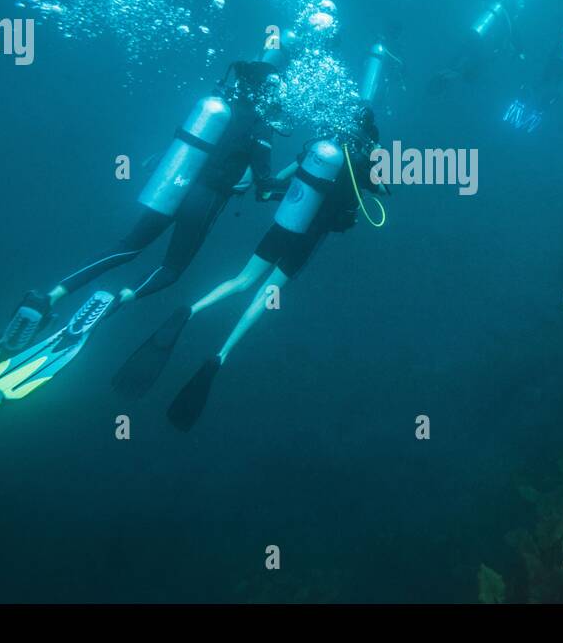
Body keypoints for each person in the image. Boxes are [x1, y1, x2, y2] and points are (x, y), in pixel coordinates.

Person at [0, 60, 286, 435]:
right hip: (204, 199)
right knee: (171, 270)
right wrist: (278, 185)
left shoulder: (217, 106)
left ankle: (47, 297)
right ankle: (116, 302)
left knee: (127, 247)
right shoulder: (261, 127)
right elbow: (263, 186)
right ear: (264, 93)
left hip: (173, 184)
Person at [112, 104, 388, 431]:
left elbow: (276, 181)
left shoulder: (322, 148)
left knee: (242, 279)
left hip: (284, 225)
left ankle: (190, 310)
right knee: (268, 291)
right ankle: (221, 355)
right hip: (309, 236)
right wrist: (377, 157)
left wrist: (267, 187)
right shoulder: (366, 157)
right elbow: (383, 189)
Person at [502, 17, 563, 133]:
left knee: (541, 83)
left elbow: (560, 42)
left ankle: (523, 102)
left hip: (556, 60)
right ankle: (538, 109)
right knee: (555, 91)